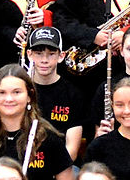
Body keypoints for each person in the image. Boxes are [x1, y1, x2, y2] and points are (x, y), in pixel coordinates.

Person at [25, 27, 87, 161]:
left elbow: (72, 149)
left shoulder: (73, 94)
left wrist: (56, 173)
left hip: (60, 166)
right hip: (23, 164)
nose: (44, 60)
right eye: (39, 53)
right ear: (29, 54)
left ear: (61, 56)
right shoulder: (20, 90)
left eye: (51, 53)